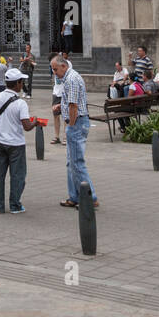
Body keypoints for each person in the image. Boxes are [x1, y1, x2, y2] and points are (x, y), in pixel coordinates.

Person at [52, 55, 96, 209]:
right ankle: (75, 196)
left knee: (77, 163)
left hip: (77, 123)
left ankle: (91, 198)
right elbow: (70, 102)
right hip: (77, 122)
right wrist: (60, 106)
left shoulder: (71, 79)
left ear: (63, 66)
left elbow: (73, 106)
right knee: (71, 163)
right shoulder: (69, 78)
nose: (54, 73)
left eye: (55, 69)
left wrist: (70, 125)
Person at [0, 68, 36, 214]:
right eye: (21, 81)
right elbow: (27, 126)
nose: (22, 84)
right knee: (18, 176)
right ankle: (15, 205)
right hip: (16, 144)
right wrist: (35, 122)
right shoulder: (20, 103)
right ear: (17, 83)